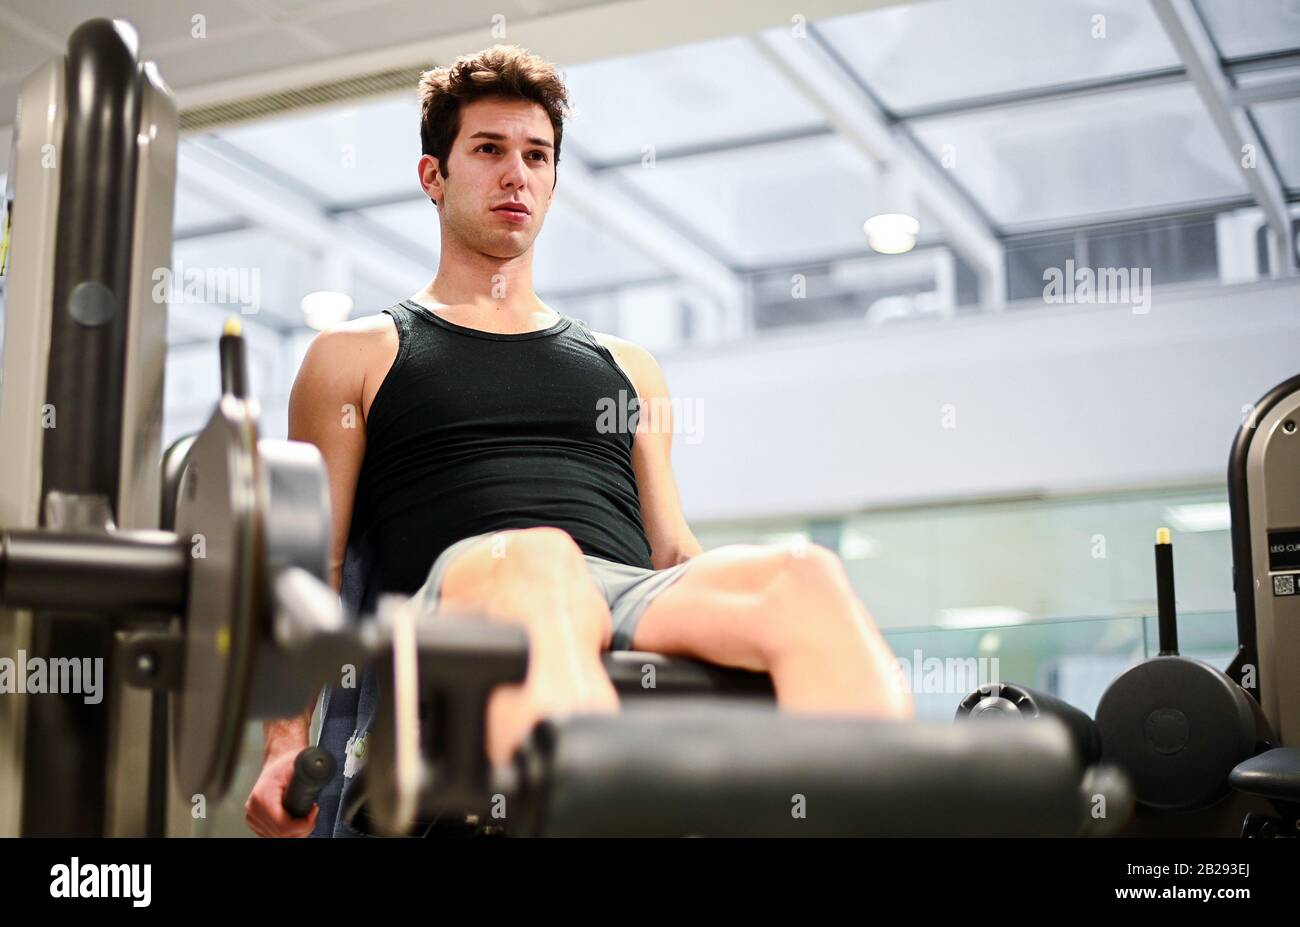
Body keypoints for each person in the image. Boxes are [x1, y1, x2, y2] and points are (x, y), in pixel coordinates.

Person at [243, 44, 913, 839]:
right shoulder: (356, 354)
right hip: (467, 598)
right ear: (434, 176)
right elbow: (311, 571)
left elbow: (670, 548)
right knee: (538, 555)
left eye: (536, 156)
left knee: (803, 575)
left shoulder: (627, 367)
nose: (516, 175)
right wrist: (284, 742)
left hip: (617, 595)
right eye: (488, 151)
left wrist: (725, 611)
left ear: (554, 180)